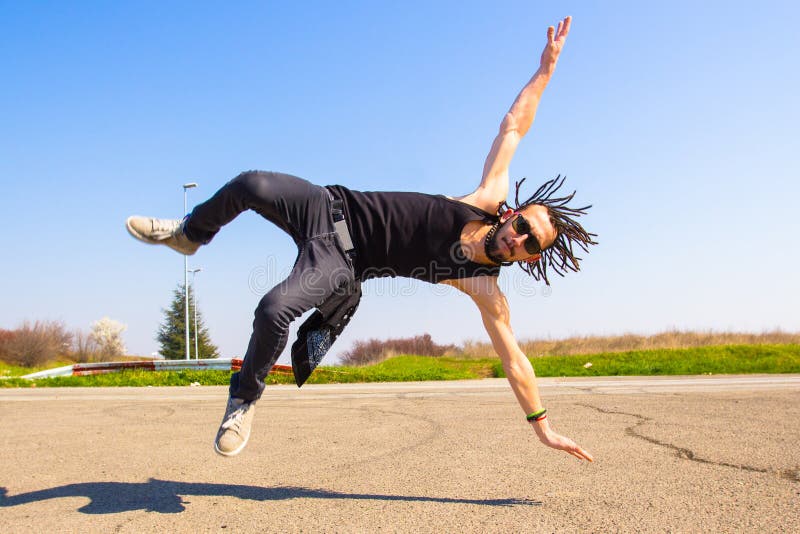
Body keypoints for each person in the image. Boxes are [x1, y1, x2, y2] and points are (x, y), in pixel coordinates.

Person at [127, 16, 596, 462]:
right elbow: (514, 125)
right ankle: (191, 234)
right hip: (326, 204)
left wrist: (543, 428)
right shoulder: (486, 197)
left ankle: (243, 401)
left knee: (274, 309)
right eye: (523, 226)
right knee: (251, 184)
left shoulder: (482, 285)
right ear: (512, 214)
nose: (520, 239)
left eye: (532, 244)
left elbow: (513, 359)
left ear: (531, 259)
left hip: (341, 261)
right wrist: (545, 71)